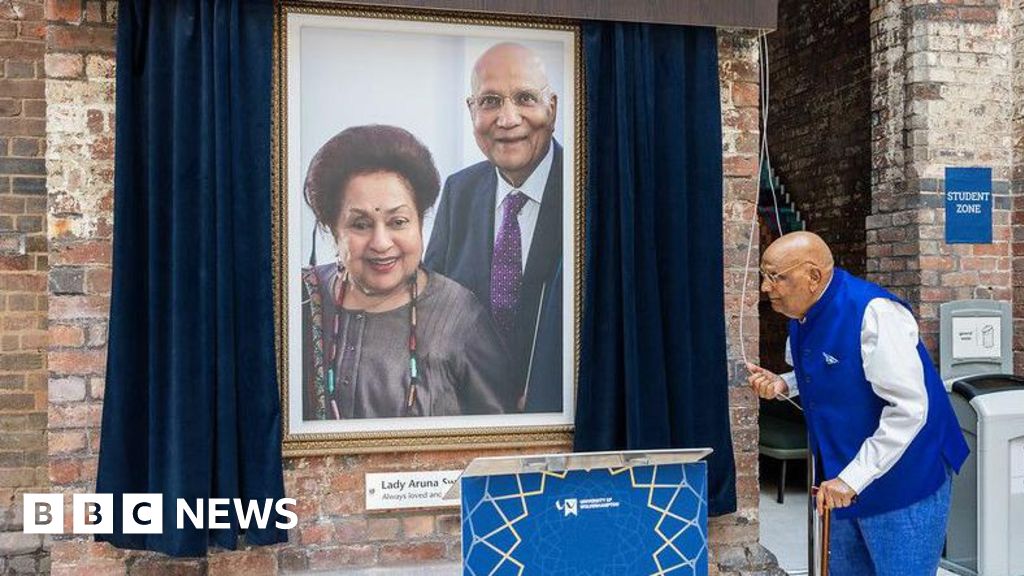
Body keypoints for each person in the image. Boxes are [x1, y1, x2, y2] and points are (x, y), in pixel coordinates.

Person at [747, 231, 969, 576]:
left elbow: (909, 408)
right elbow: (833, 369)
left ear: (813, 276)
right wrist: (783, 383)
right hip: (846, 474)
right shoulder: (801, 313)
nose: (765, 287)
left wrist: (852, 479)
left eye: (776, 277)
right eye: (765, 275)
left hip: (907, 473)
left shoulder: (874, 314)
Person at [301, 124, 512, 420]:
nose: (381, 243)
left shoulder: (462, 316)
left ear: (420, 221)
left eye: (398, 222)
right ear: (332, 229)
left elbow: (503, 442)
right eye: (360, 225)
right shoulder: (296, 302)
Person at [425, 42, 563, 413]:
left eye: (524, 98)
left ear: (552, 108)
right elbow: (430, 307)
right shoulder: (458, 191)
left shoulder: (586, 189)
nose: (507, 118)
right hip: (469, 418)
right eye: (489, 101)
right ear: (471, 110)